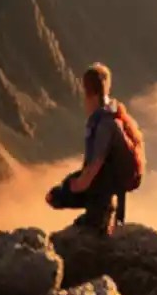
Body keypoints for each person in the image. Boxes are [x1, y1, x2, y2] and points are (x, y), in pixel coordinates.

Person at [45, 62, 133, 233]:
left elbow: (92, 171)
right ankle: (100, 213)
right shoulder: (106, 117)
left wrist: (66, 192)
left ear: (89, 94)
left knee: (69, 193)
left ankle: (100, 216)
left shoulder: (104, 125)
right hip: (111, 184)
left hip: (106, 185)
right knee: (65, 190)